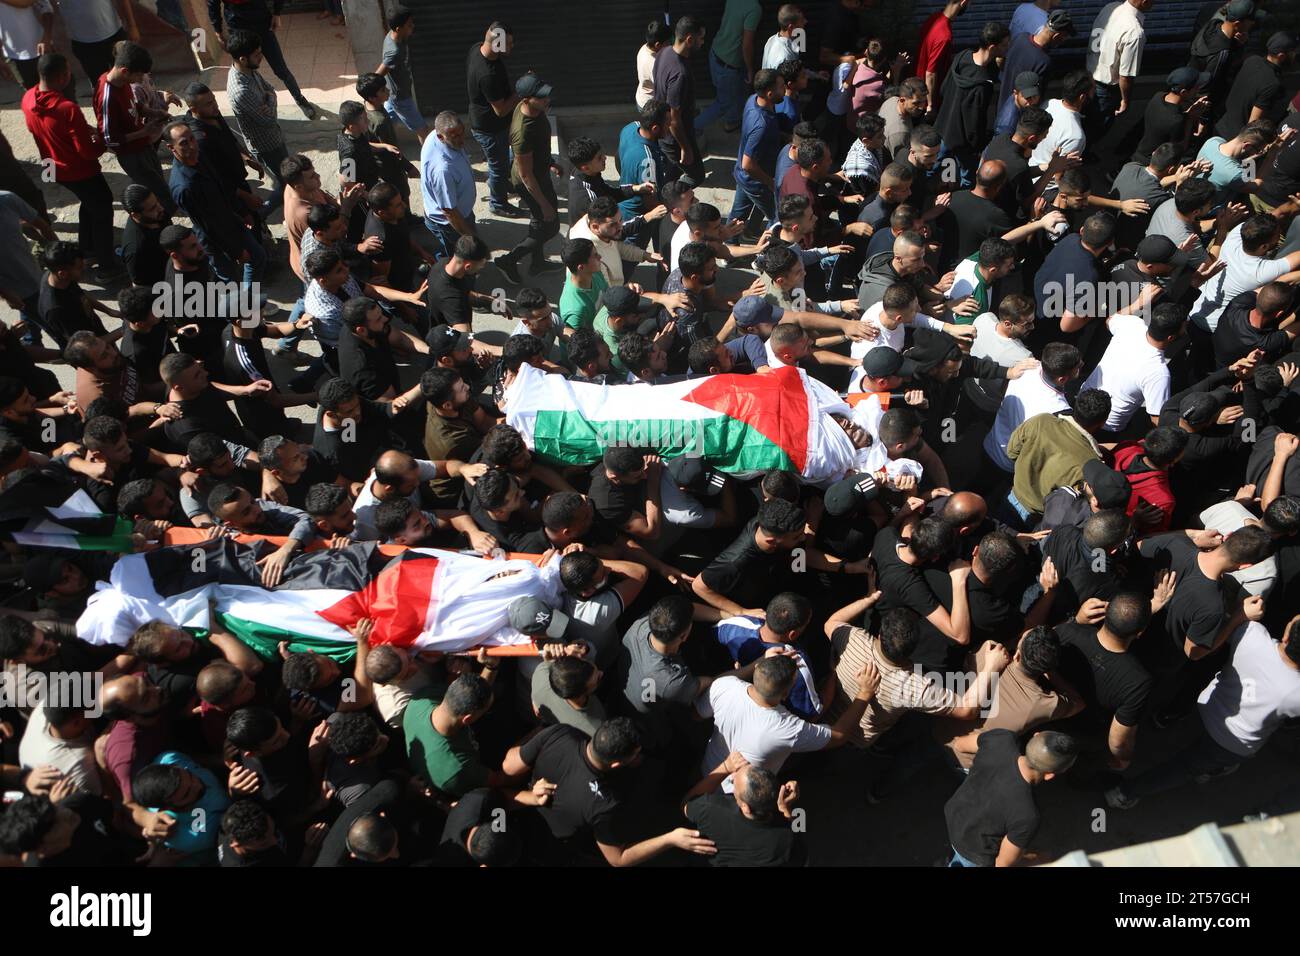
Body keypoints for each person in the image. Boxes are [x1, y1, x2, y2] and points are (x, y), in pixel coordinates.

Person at [22, 53, 123, 283]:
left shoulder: (28, 99)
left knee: (89, 203)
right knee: (102, 209)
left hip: (53, 167)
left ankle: (87, 248)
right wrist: (102, 143)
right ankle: (108, 267)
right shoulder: (67, 108)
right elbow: (86, 151)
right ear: (61, 77)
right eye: (68, 71)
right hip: (80, 170)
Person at [943, 730, 1078, 866]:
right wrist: (1034, 860)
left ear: (1036, 735)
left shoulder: (1001, 739)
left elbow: (959, 744)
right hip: (973, 853)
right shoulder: (1027, 816)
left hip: (953, 815)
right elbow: (1003, 864)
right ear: (1050, 775)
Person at [493, 75, 563, 284]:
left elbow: (538, 148)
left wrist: (550, 161)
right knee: (550, 226)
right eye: (540, 98)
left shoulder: (533, 110)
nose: (546, 100)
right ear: (526, 99)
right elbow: (525, 174)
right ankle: (508, 260)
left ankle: (538, 263)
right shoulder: (523, 132)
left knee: (539, 223)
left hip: (539, 172)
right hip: (531, 182)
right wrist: (544, 205)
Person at [208, 0, 319, 120]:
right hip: (238, 26)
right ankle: (258, 106)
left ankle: (299, 99)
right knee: (247, 70)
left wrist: (277, 13)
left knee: (281, 69)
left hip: (261, 21)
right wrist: (218, 32)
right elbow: (213, 4)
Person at [465, 21, 521, 219]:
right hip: (490, 128)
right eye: (510, 43)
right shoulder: (488, 74)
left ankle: (502, 184)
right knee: (497, 168)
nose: (513, 47)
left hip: (487, 123)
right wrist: (520, 92)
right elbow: (501, 110)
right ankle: (498, 203)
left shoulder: (476, 49)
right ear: (497, 43)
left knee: (503, 160)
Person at [655, 15, 708, 184]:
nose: (703, 42)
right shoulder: (680, 74)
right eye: (701, 38)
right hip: (674, 139)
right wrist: (686, 148)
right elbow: (674, 120)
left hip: (665, 135)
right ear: (690, 39)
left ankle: (665, 193)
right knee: (696, 176)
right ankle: (669, 200)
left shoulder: (664, 52)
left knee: (673, 170)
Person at [420, 111, 476, 261]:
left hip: (461, 213)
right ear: (441, 137)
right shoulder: (442, 170)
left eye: (462, 132)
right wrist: (469, 237)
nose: (461, 139)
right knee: (456, 258)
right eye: (455, 136)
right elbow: (449, 212)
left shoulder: (436, 135)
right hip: (448, 224)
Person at [375, 6, 427, 142]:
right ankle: (431, 161)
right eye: (409, 25)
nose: (413, 27)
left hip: (394, 94)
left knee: (389, 122)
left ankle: (381, 145)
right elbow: (377, 75)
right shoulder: (394, 51)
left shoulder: (393, 36)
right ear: (398, 29)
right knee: (422, 129)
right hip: (400, 97)